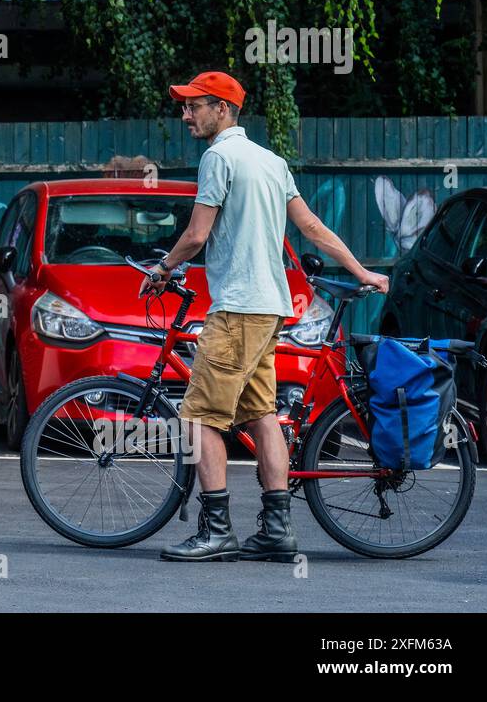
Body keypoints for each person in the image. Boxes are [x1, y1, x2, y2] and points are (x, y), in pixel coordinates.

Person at [143, 72, 389, 562]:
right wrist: (363, 270)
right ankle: (277, 530)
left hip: (237, 308)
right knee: (259, 415)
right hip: (271, 307)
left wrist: (162, 268)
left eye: (195, 106)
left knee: (197, 417)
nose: (185, 115)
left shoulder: (219, 158)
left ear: (223, 109)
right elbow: (312, 228)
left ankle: (216, 531)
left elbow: (196, 234)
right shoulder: (271, 162)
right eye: (185, 107)